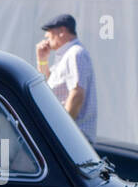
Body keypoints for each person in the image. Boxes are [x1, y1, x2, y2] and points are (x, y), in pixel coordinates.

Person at [35, 13, 97, 142]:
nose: (46, 38)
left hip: (73, 137)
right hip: (71, 135)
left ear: (62, 31)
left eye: (50, 33)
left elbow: (77, 93)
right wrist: (42, 59)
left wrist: (64, 128)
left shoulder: (75, 53)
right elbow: (46, 85)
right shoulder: (67, 55)